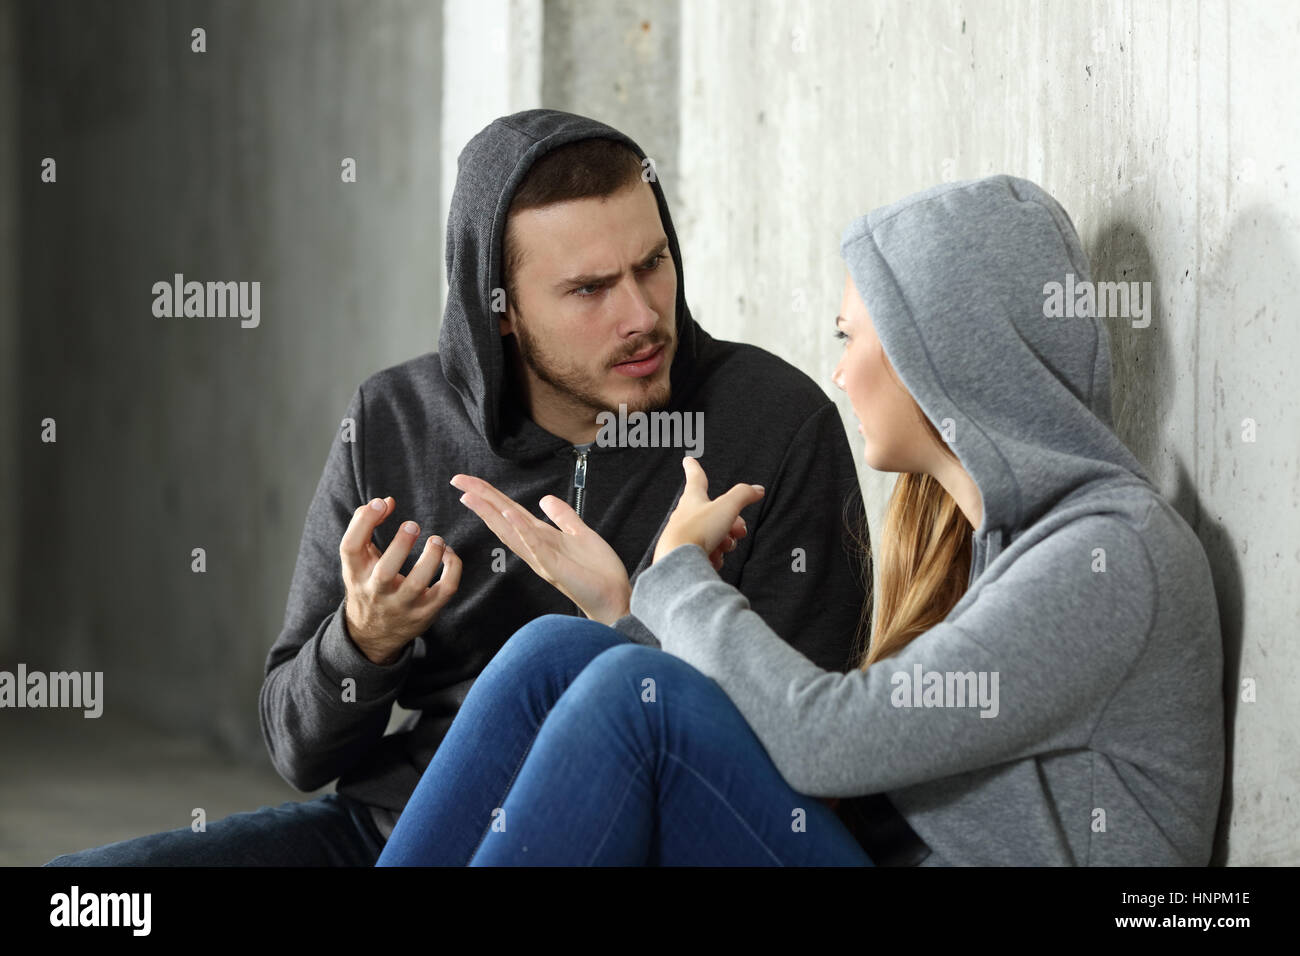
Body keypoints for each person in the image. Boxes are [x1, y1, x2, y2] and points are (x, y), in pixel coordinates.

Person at [43, 110, 878, 866]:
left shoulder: (772, 423)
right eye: (589, 290)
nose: (642, 316)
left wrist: (644, 614)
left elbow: (793, 766)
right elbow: (297, 751)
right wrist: (364, 640)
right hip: (405, 830)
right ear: (500, 306)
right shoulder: (395, 420)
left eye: (652, 263)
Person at [375, 175, 1225, 866]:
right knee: (555, 654)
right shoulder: (1003, 544)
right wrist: (630, 611)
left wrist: (678, 583)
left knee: (641, 708)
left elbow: (826, 742)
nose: (841, 372)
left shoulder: (1109, 555)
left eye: (852, 337)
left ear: (942, 358)